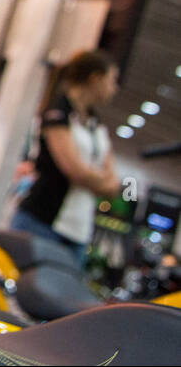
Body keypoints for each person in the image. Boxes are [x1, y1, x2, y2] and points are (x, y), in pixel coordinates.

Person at [11, 50, 120, 263]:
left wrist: (91, 178)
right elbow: (74, 170)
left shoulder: (96, 125)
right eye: (112, 81)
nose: (114, 89)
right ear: (95, 79)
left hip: (78, 232)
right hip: (42, 222)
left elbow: (113, 185)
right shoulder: (58, 112)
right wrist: (97, 179)